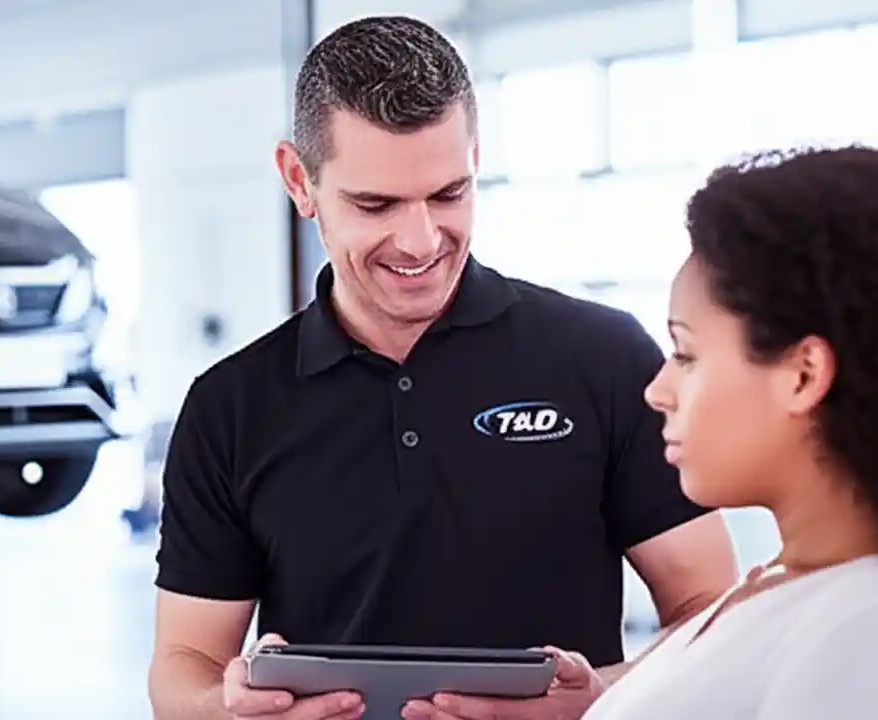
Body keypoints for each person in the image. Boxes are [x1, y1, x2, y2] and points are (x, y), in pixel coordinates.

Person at [147, 15, 738, 720]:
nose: (421, 240)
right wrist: (232, 711)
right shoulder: (230, 407)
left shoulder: (604, 357)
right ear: (299, 181)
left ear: (475, 159)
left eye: (449, 194)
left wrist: (604, 701)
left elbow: (711, 612)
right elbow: (183, 667)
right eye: (376, 204)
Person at [505, 145, 878, 720]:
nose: (657, 391)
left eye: (685, 354)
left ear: (803, 376)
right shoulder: (783, 585)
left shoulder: (860, 630)